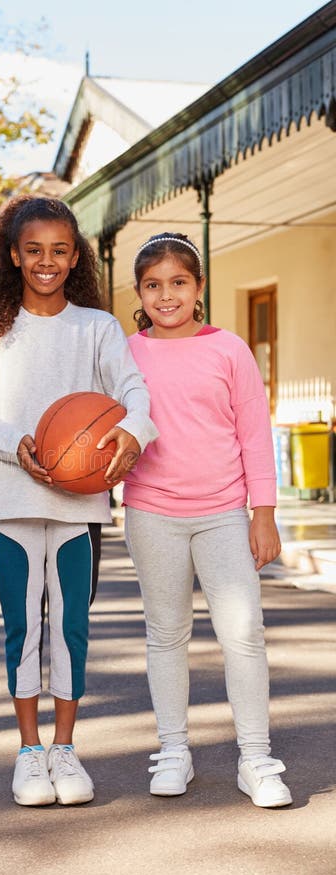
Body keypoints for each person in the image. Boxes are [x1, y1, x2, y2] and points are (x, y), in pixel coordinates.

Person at [0, 196, 158, 807]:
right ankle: (27, 752)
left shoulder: (96, 327)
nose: (47, 261)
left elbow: (133, 391)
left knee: (71, 627)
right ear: (13, 255)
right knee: (22, 630)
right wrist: (16, 443)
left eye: (59, 251)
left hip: (78, 508)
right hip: (13, 499)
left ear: (76, 258)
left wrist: (132, 431)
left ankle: (65, 750)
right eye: (34, 250)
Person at [123, 232, 292, 808]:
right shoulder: (126, 352)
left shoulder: (230, 349)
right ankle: (173, 751)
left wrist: (262, 514)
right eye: (152, 285)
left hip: (223, 511)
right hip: (151, 513)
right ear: (139, 292)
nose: (165, 295)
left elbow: (253, 435)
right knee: (166, 634)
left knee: (242, 633)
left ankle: (256, 758)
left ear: (198, 288)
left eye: (177, 282)